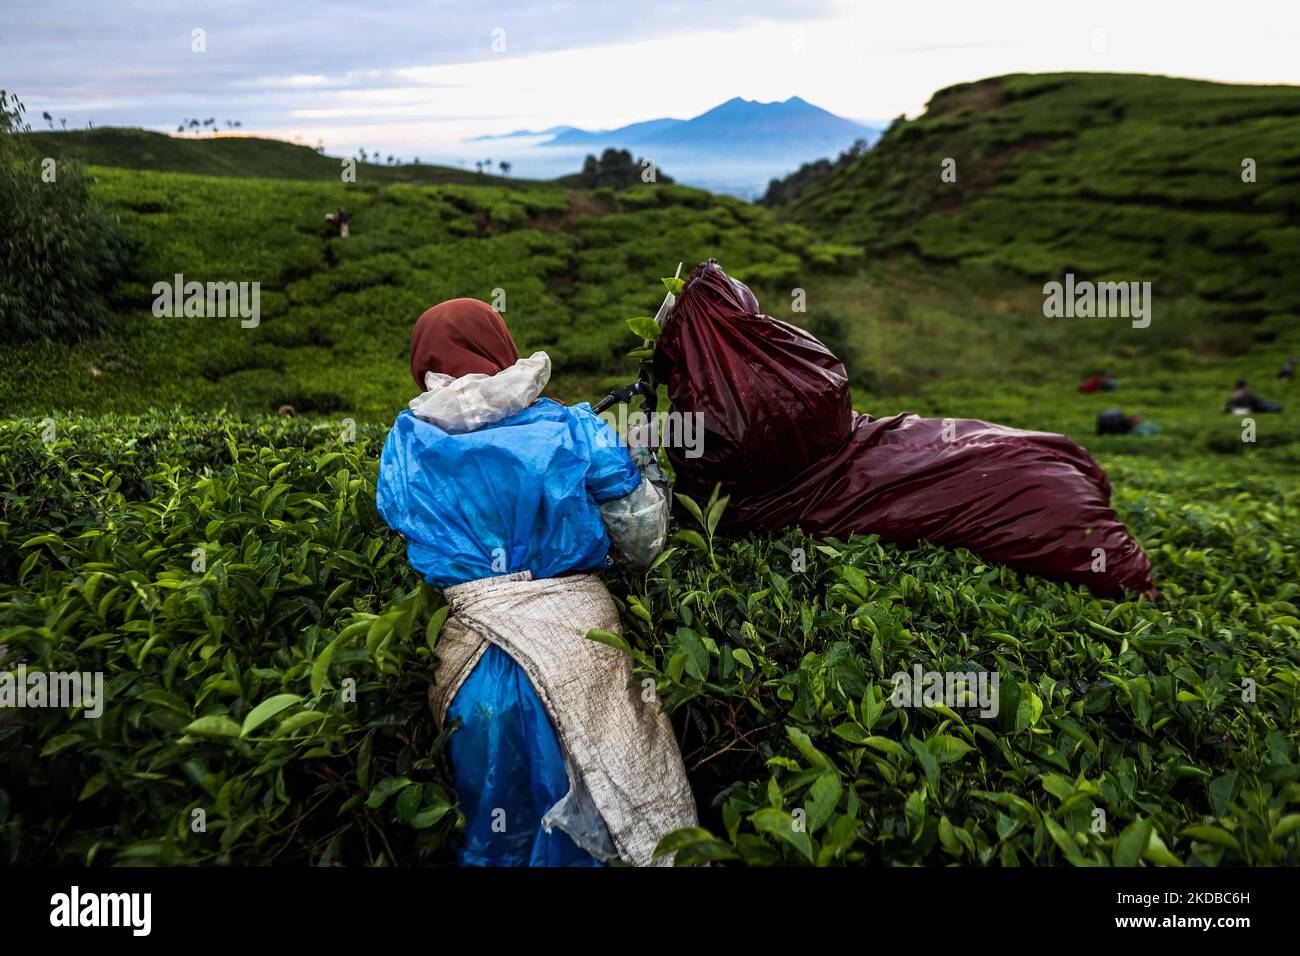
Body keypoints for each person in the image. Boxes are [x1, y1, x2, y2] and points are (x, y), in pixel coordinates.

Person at [375, 298, 696, 867]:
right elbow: (642, 540)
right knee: (610, 821)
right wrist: (642, 464)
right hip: (580, 653)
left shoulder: (405, 445)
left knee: (494, 837)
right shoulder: (571, 427)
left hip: (471, 669)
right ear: (500, 345)